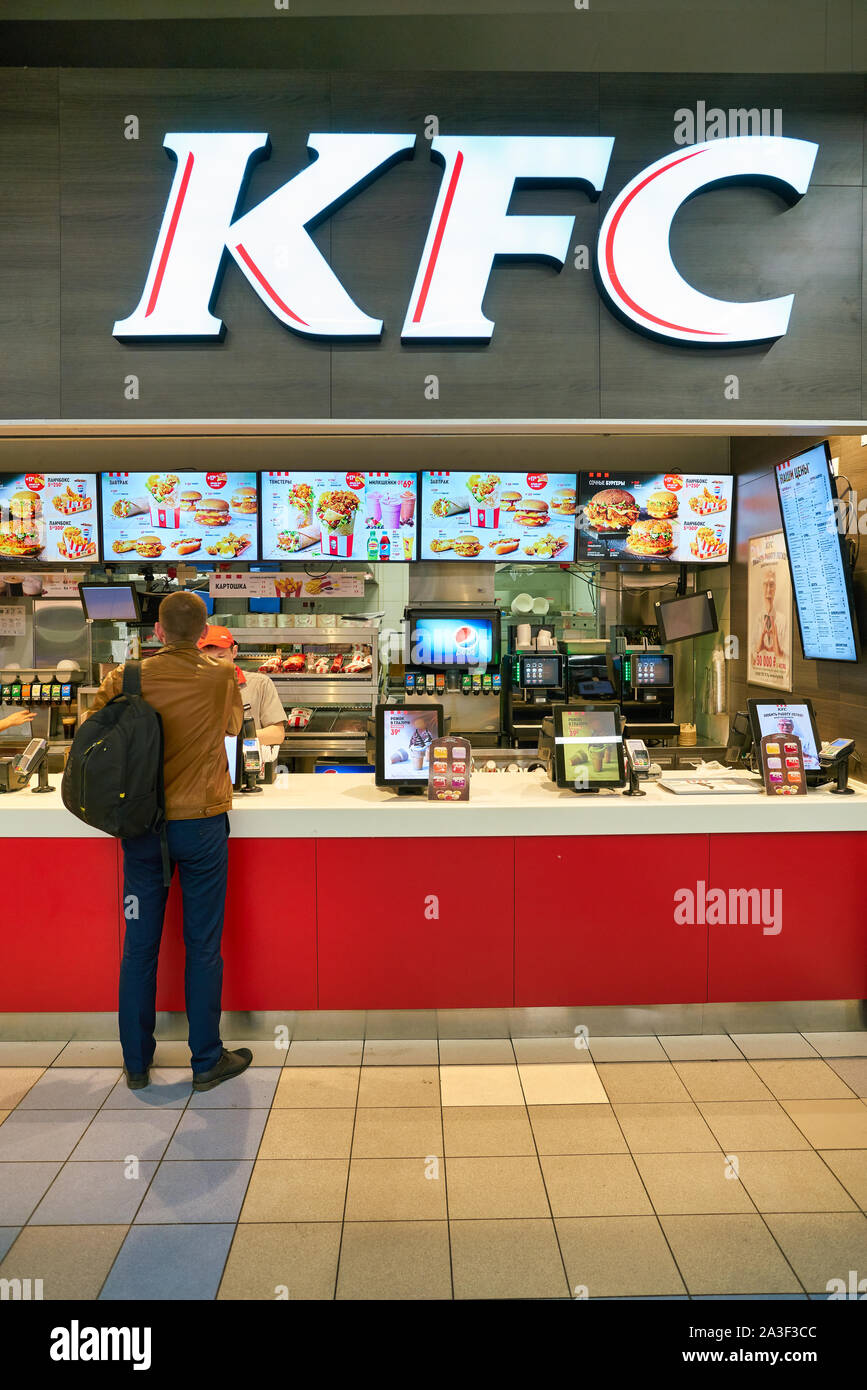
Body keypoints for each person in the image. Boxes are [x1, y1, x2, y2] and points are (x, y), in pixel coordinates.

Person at [85, 591, 251, 1093]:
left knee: (139, 948)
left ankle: (136, 1063)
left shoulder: (126, 677)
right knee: (203, 946)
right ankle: (205, 1061)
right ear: (204, 634)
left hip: (141, 831)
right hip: (201, 826)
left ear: (157, 632)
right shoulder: (222, 676)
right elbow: (232, 727)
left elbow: (94, 736)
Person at [197, 625, 286, 761]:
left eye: (221, 657)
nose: (215, 665)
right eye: (207, 659)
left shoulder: (260, 684)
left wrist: (233, 739)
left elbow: (277, 734)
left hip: (249, 768)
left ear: (234, 652)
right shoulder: (192, 688)